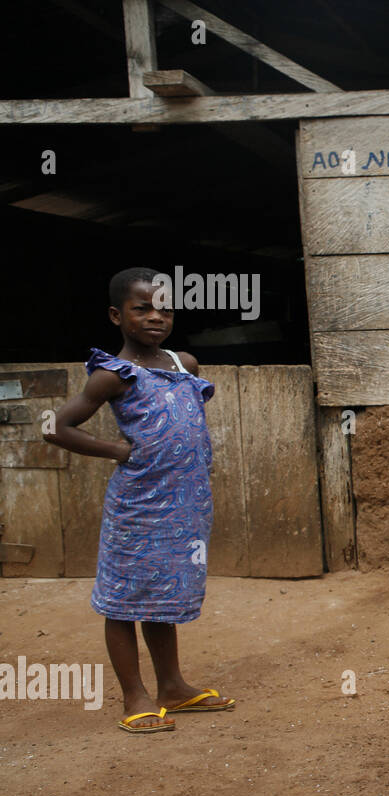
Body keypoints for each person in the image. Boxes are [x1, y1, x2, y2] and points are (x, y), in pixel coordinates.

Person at [43, 267, 235, 733]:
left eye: (165, 308)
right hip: (138, 507)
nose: (156, 317)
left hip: (185, 508)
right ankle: (135, 696)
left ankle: (172, 687)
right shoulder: (112, 375)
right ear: (116, 314)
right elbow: (57, 427)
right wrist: (117, 450)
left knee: (163, 598)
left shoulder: (184, 364)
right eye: (142, 308)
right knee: (124, 601)